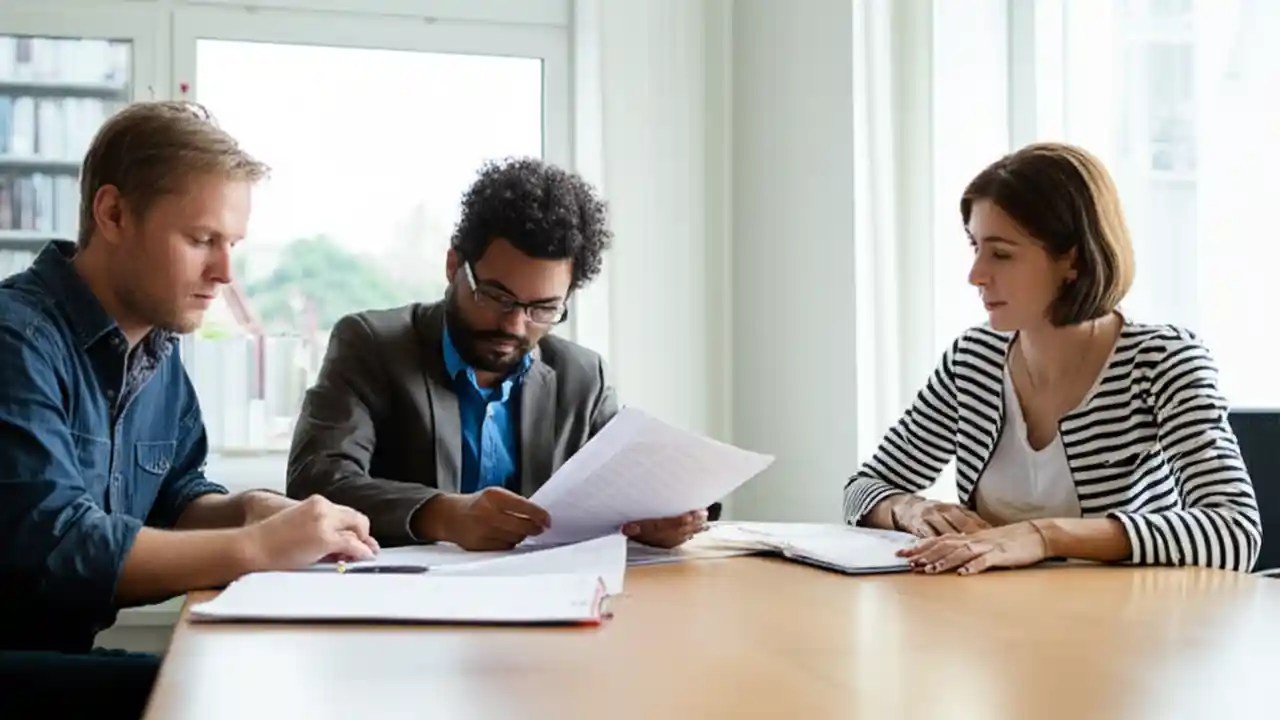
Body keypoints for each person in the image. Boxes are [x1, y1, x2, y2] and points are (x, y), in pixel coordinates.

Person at [0, 102, 377, 718]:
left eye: (231, 244)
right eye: (202, 240)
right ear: (114, 214)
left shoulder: (156, 351)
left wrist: (246, 510)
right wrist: (256, 545)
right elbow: (57, 549)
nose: (225, 272)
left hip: (48, 657)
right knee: (215, 695)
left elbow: (176, 497)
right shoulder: (14, 340)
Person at [844, 142, 1261, 574]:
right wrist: (909, 509)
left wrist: (1043, 535)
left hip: (1126, 631)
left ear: (1073, 260)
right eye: (975, 247)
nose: (975, 275)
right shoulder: (973, 361)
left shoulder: (1161, 361)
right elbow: (862, 489)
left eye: (1001, 254)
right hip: (990, 624)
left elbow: (1233, 532)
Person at [287, 157, 711, 551]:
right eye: (496, 296)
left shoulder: (582, 377)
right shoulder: (371, 346)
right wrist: (444, 515)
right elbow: (316, 482)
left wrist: (656, 520)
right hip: (408, 608)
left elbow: (635, 482)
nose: (514, 325)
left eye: (542, 308)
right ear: (454, 266)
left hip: (549, 603)